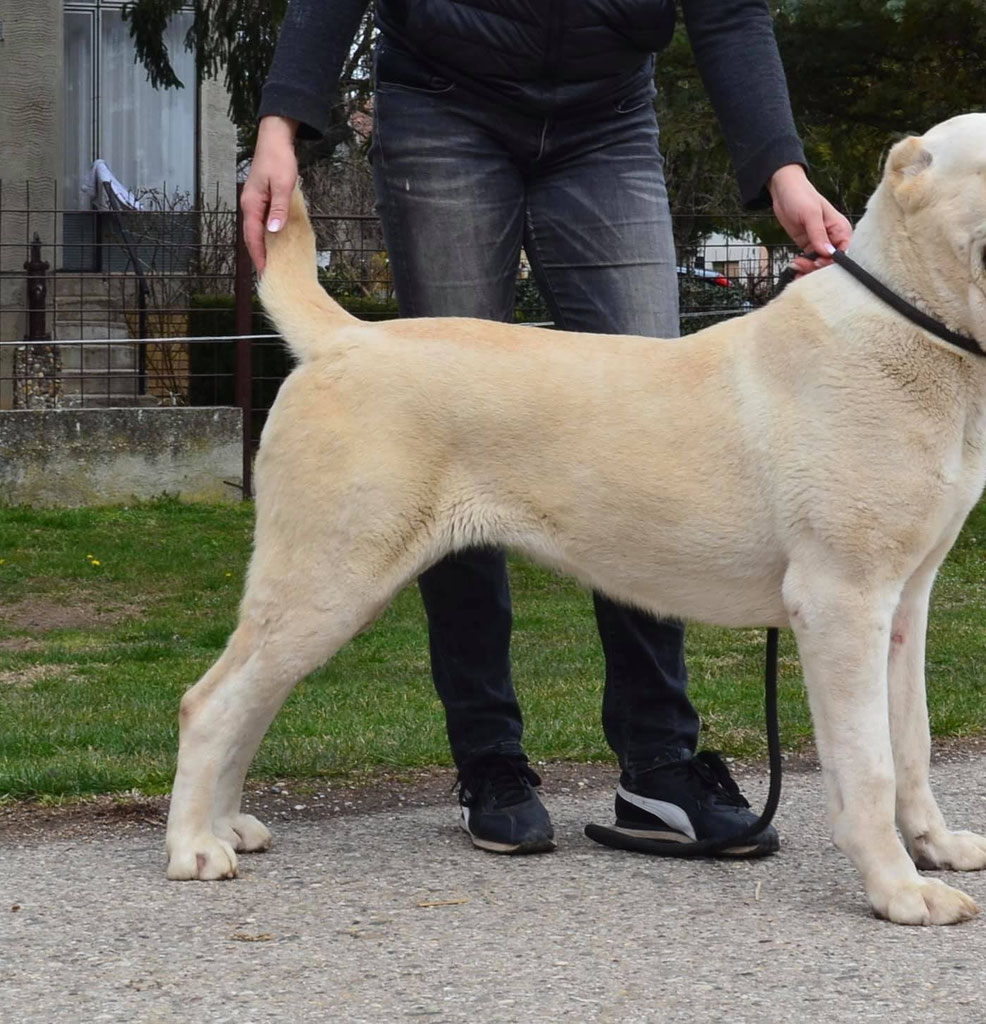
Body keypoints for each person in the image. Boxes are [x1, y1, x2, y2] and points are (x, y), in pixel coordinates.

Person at [244, 0, 851, 858]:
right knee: (448, 433)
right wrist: (280, 127)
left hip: (606, 117)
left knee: (652, 440)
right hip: (444, 103)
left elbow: (729, 14)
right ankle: (489, 759)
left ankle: (658, 764)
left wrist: (782, 170)